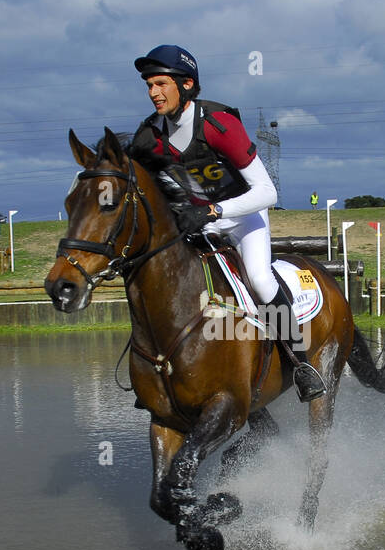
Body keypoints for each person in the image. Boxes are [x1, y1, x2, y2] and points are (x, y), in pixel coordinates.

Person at [127, 44, 325, 401]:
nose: (153, 93)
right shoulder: (150, 135)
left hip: (244, 217)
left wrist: (215, 211)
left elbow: (267, 192)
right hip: (200, 223)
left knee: (261, 281)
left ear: (186, 84)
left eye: (160, 84)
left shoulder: (219, 125)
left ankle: (301, 364)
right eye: (149, 85)